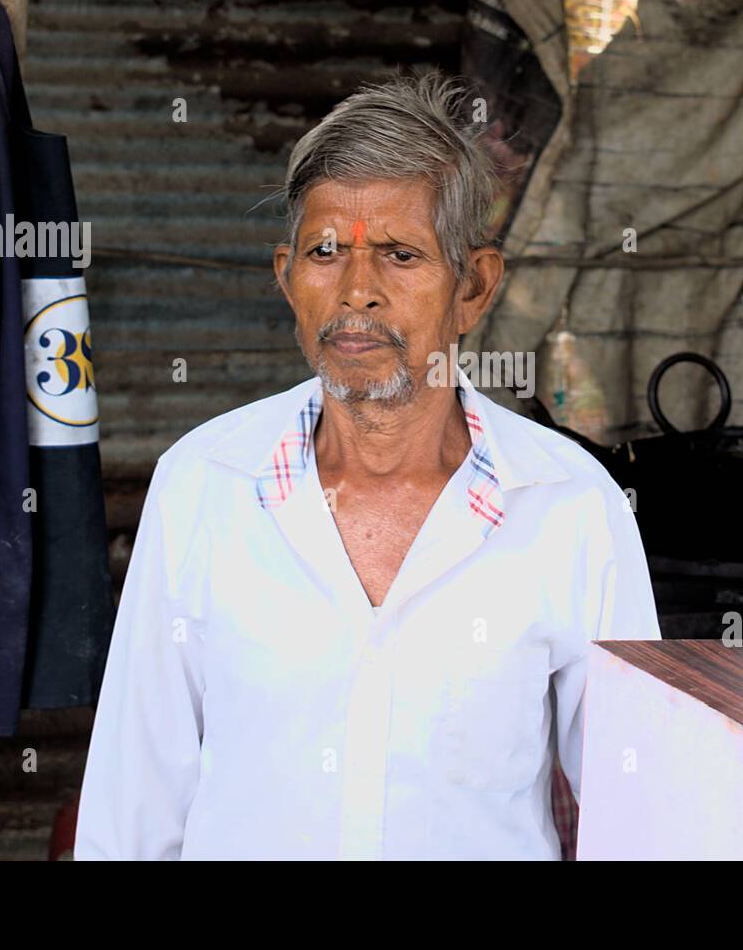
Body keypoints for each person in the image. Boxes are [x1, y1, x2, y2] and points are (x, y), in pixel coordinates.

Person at [74, 72, 660, 860]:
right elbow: (132, 805)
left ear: (474, 289)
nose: (357, 291)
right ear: (286, 274)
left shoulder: (571, 508)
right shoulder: (203, 487)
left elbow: (642, 812)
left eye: (400, 254)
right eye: (325, 252)